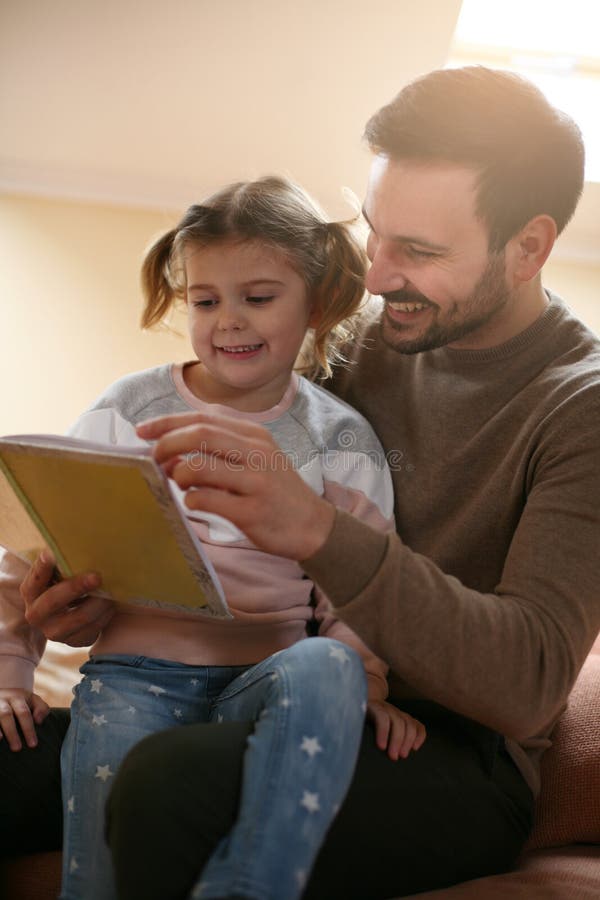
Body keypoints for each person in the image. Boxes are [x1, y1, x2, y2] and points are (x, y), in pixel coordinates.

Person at [2, 63, 600, 899]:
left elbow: (531, 685)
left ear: (529, 245)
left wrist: (318, 530)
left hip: (442, 753)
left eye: (419, 251)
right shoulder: (359, 339)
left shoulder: (582, 408)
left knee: (165, 779)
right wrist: (90, 592)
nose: (379, 273)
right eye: (374, 230)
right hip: (240, 688)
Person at [0, 175, 426, 900]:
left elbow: (360, 584)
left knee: (330, 665)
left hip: (268, 682)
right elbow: (37, 550)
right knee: (100, 873)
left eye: (258, 298)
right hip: (135, 672)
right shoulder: (128, 406)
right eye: (205, 301)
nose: (229, 320)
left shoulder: (341, 437)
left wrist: (369, 683)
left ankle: (249, 888)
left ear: (315, 303)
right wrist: (11, 670)